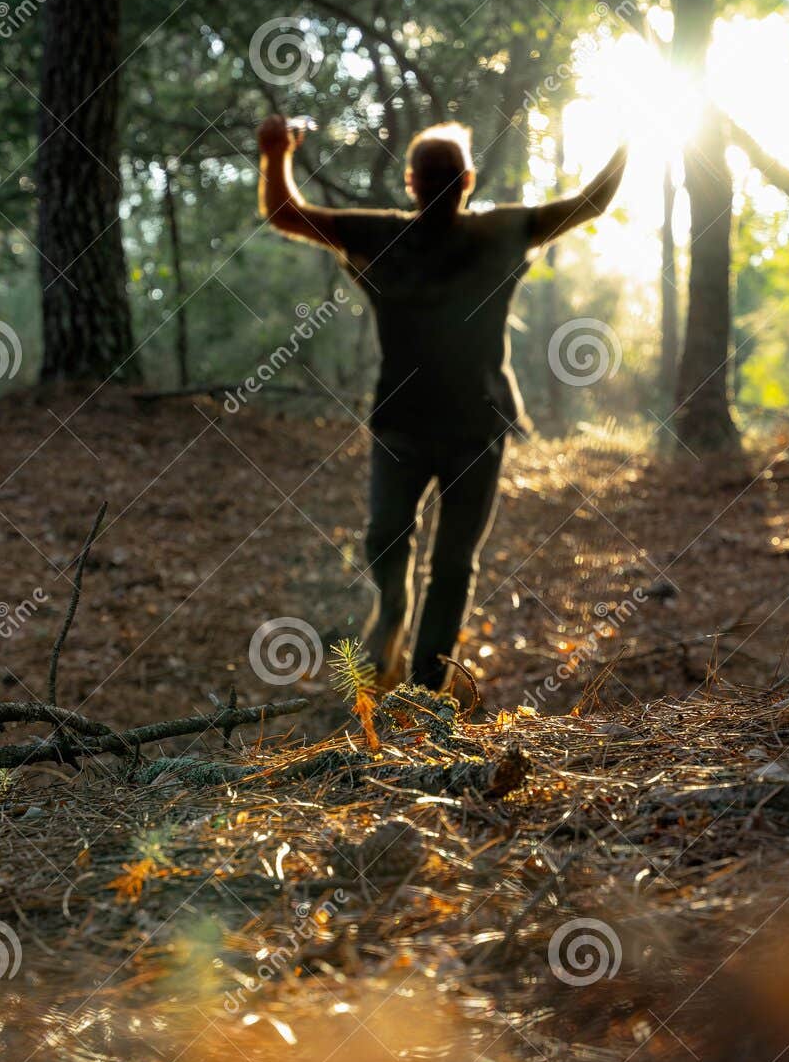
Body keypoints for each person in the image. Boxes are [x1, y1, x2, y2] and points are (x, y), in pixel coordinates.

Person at [257, 113, 627, 691]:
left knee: (453, 562)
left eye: (445, 177)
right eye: (430, 177)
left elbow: (590, 203)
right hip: (400, 426)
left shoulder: (500, 231)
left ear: (467, 181)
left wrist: (635, 130)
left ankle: (428, 680)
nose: (436, 187)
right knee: (387, 537)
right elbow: (285, 215)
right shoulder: (381, 234)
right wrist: (275, 153)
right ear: (411, 182)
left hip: (476, 431)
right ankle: (392, 628)